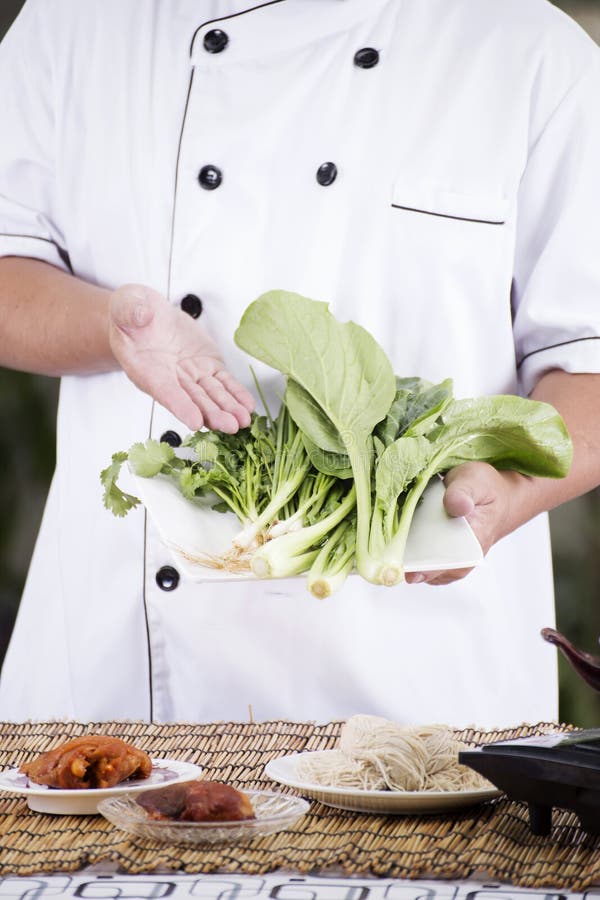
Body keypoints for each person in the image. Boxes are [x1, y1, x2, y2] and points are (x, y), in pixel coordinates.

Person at [0, 0, 599, 727]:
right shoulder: (76, 23)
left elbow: (587, 360)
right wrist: (110, 327)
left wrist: (509, 490)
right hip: (117, 685)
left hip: (420, 689)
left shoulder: (529, 51)